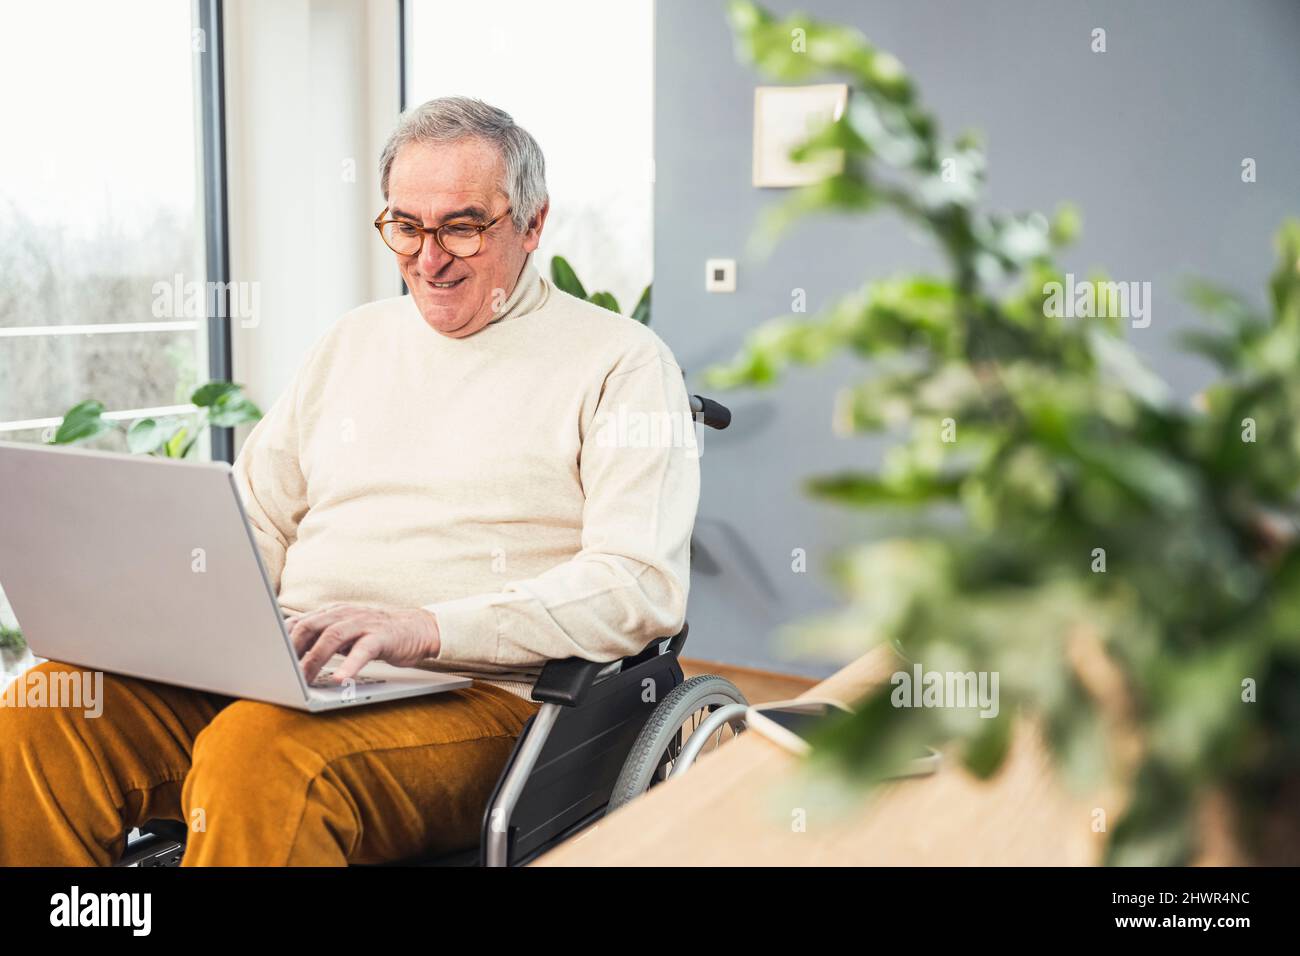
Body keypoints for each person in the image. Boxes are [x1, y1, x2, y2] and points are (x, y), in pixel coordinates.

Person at [0, 96, 699, 866]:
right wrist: (181, 621)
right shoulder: (353, 341)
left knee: (260, 756)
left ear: (532, 225)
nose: (428, 259)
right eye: (405, 225)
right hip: (298, 671)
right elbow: (258, 517)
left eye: (462, 226)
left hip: (490, 701)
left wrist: (427, 626)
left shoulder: (621, 362)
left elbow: (637, 584)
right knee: (46, 711)